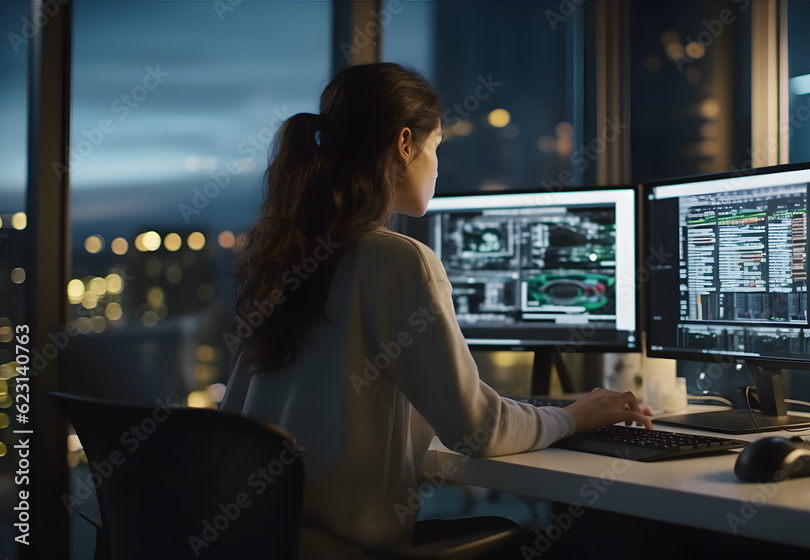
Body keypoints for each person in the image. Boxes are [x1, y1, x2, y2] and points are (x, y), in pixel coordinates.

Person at [220, 63, 653, 558]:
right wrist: (573, 417)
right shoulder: (399, 259)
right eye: (437, 146)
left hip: (263, 542)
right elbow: (478, 429)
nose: (438, 164)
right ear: (406, 144)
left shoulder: (286, 255)